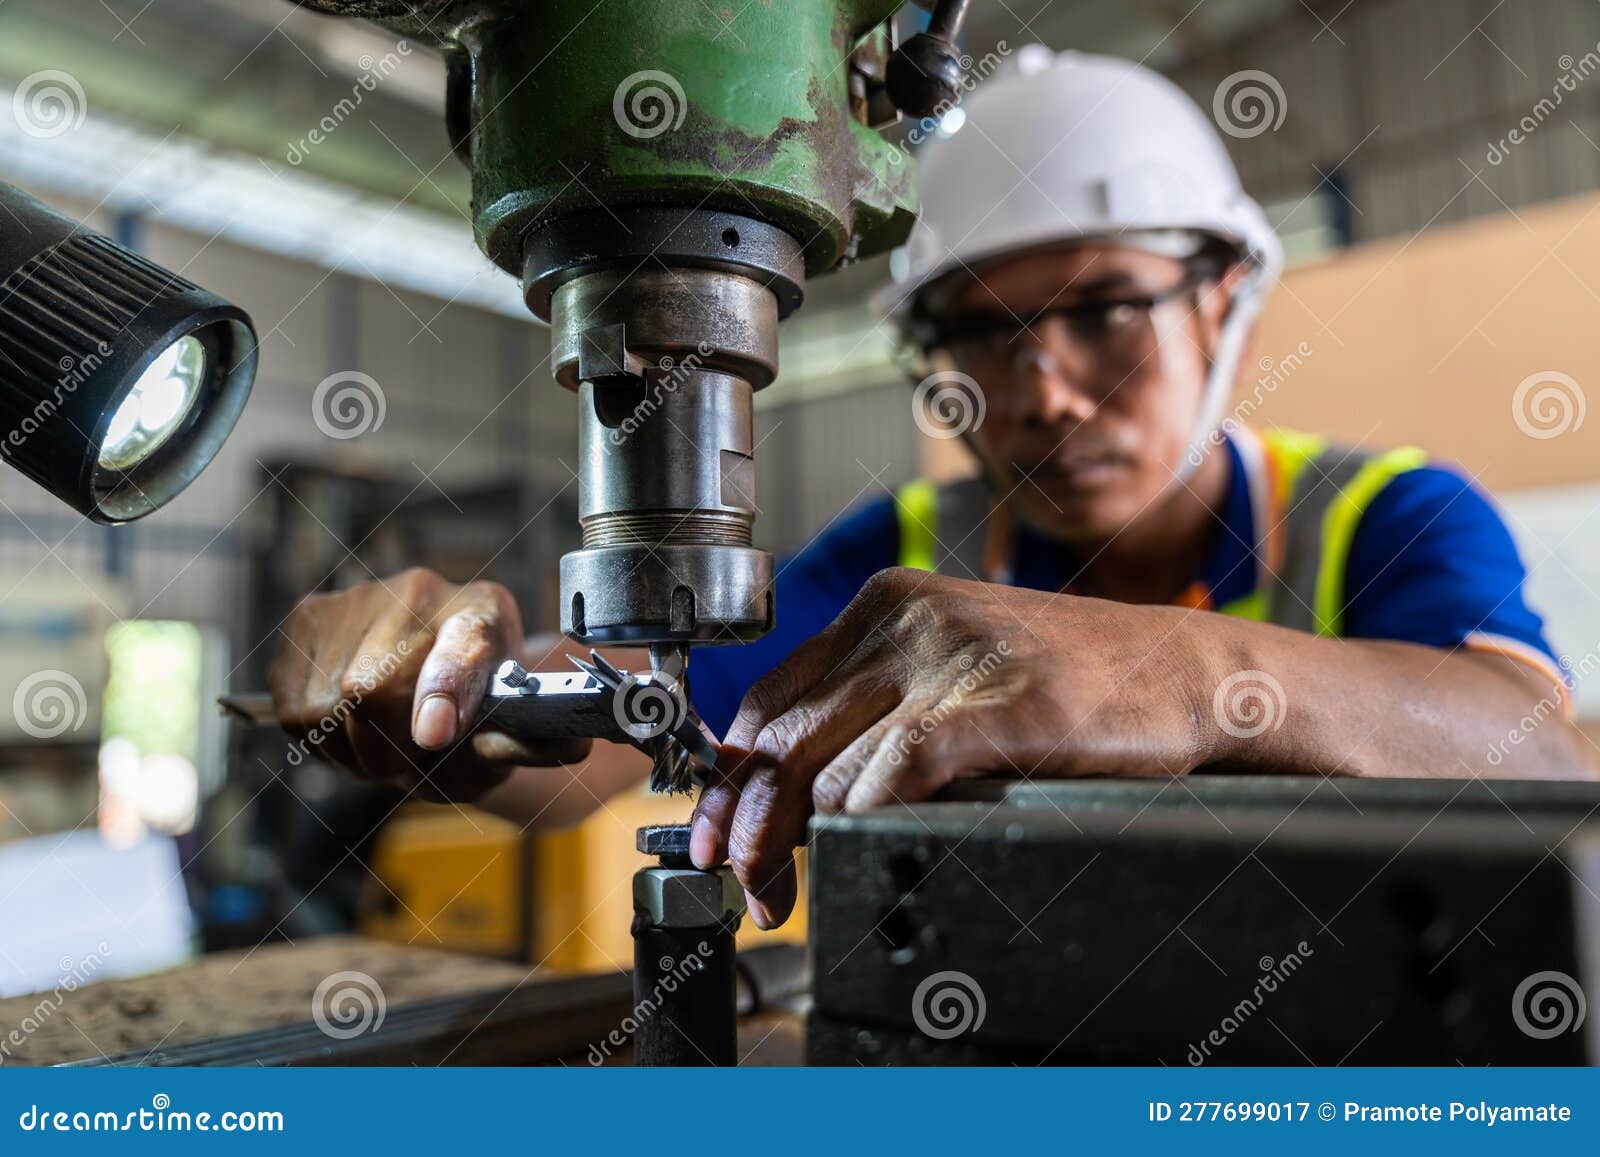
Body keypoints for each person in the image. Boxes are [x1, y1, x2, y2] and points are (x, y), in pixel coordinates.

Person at [267, 49, 1596, 933]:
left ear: (1226, 299)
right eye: (981, 334)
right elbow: (623, 733)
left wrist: (1188, 670)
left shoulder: (1388, 518)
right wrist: (461, 693)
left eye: (1105, 311)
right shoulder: (906, 559)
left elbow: (1540, 751)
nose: (1043, 391)